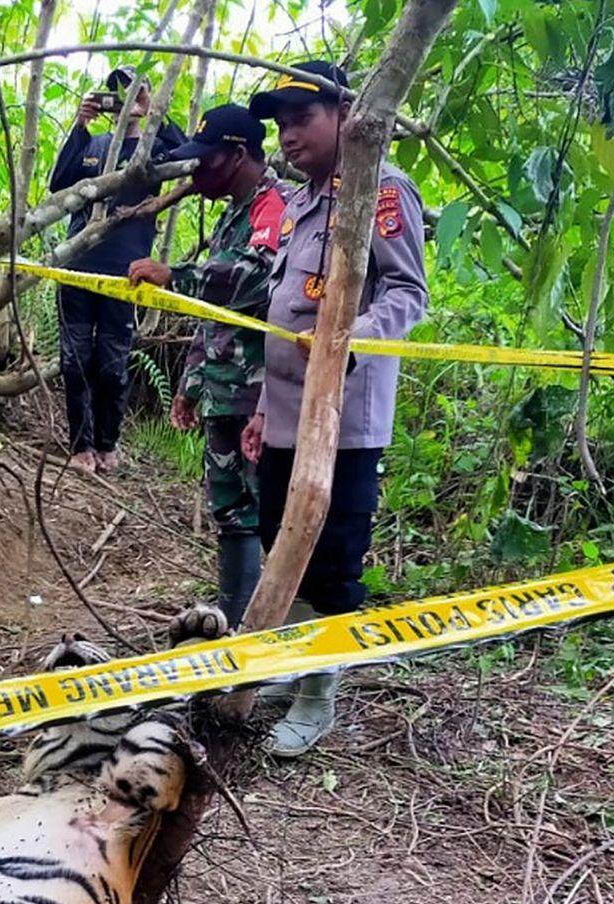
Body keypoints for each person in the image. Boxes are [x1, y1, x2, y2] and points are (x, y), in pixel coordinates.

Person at [242, 60, 428, 756]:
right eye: (282, 125)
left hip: (344, 419)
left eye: (303, 119)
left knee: (333, 559)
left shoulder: (381, 188)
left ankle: (319, 693)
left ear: (347, 116)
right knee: (278, 539)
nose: (289, 136)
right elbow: (284, 304)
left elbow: (408, 292)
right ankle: (295, 668)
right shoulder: (299, 201)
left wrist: (349, 342)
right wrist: (263, 407)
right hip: (286, 412)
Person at [126, 105, 291, 624]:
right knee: (231, 511)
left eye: (206, 160)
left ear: (237, 155)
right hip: (223, 388)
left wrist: (176, 275)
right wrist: (191, 381)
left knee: (272, 511)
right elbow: (213, 315)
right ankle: (232, 622)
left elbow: (258, 278)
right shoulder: (232, 214)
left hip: (263, 393)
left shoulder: (275, 205)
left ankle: (276, 628)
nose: (196, 172)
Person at [48, 68, 186, 472]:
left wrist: (154, 113)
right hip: (77, 267)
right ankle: (80, 446)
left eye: (133, 91)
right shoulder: (94, 145)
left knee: (112, 364)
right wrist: (79, 126)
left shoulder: (154, 150)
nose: (124, 98)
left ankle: (107, 444)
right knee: (75, 361)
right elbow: (59, 182)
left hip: (126, 274)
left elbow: (191, 158)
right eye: (117, 92)